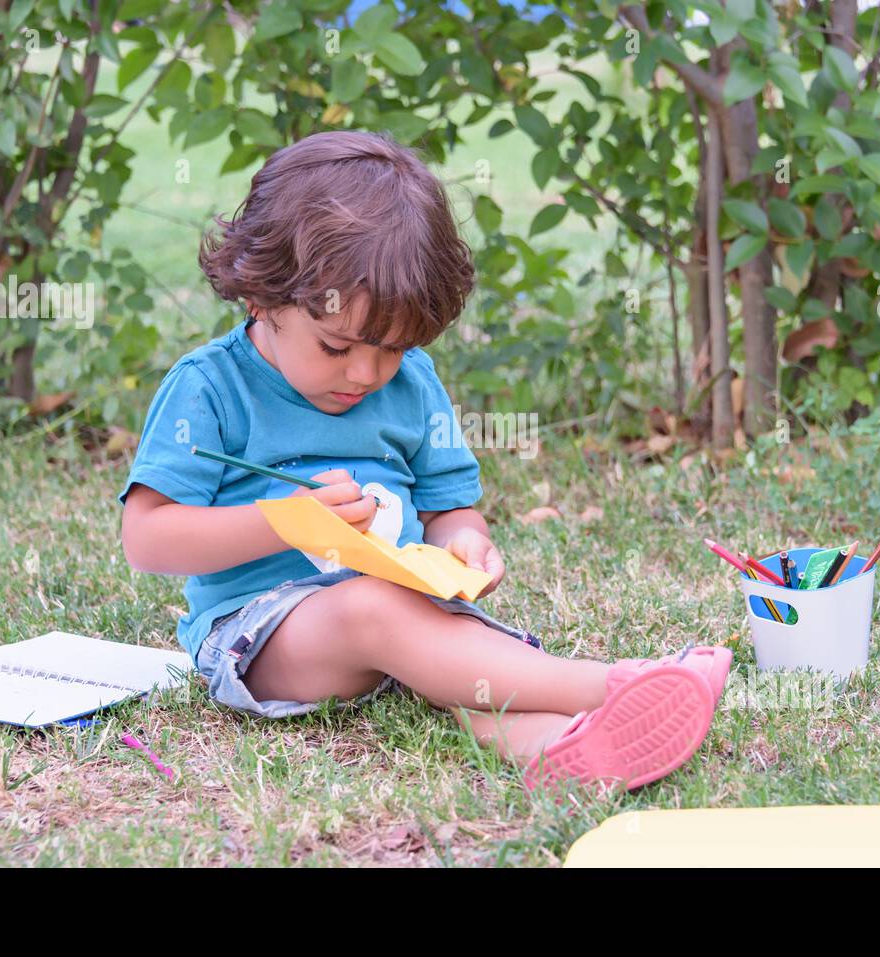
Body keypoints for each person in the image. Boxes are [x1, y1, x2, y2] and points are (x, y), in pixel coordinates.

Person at [117, 130, 730, 796]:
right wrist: (287, 523)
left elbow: (449, 508)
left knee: (450, 661)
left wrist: (465, 543)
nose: (366, 372)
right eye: (336, 346)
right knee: (376, 612)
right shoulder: (210, 387)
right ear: (259, 297)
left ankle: (562, 748)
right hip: (262, 635)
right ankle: (614, 681)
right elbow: (147, 538)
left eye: (393, 349)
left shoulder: (412, 383)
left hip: (406, 611)